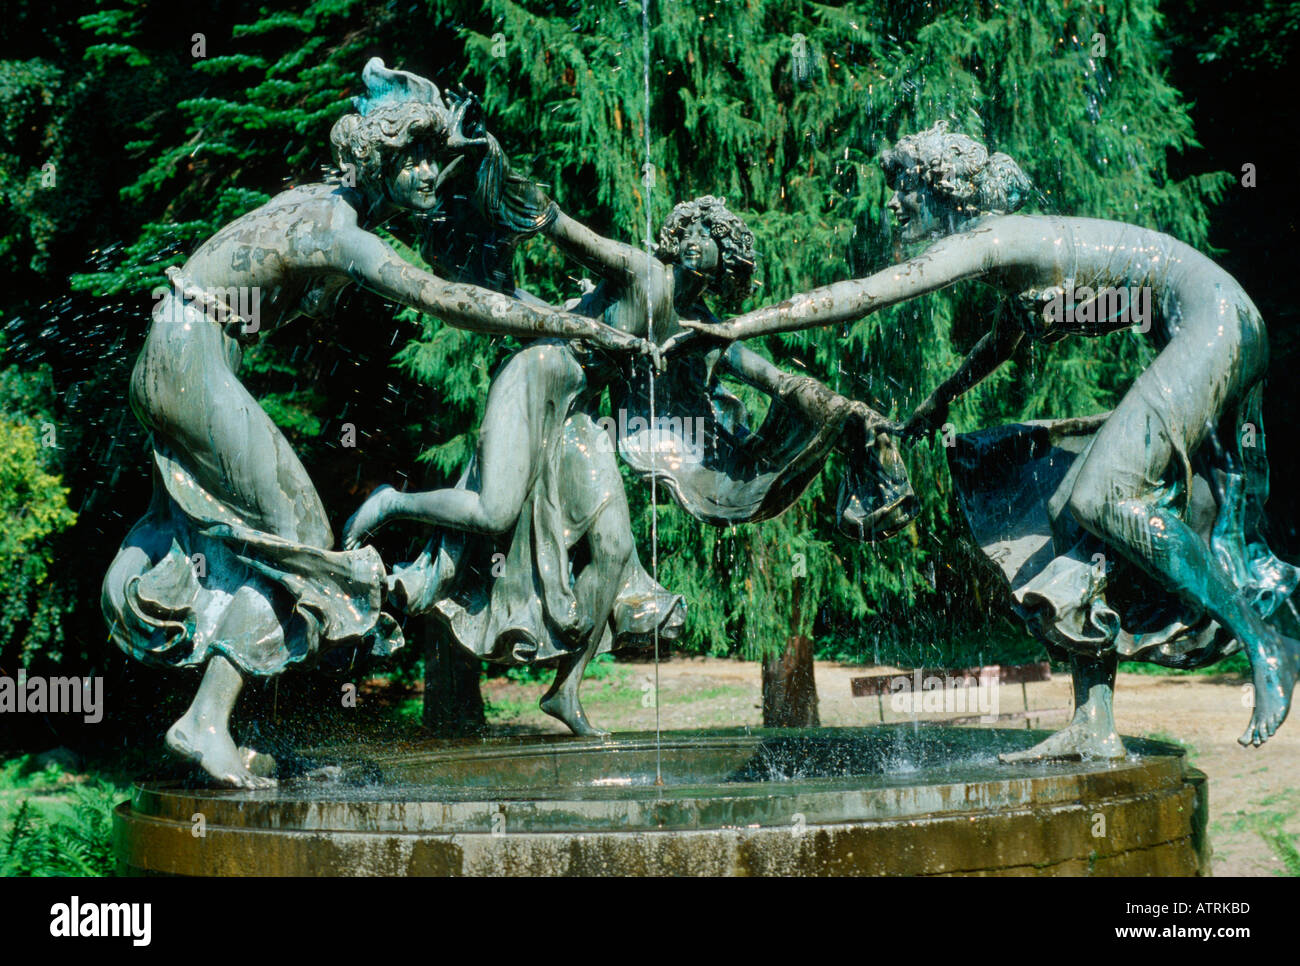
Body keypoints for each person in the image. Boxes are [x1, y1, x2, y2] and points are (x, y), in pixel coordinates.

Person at [102, 59, 656, 786]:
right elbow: (445, 299)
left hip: (171, 354)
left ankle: (147, 619)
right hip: (191, 359)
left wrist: (476, 156)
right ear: (381, 157)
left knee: (200, 526)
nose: (430, 175)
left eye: (436, 160)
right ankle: (205, 720)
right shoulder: (339, 232)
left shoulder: (324, 202)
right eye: (415, 159)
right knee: (303, 536)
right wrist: (569, 324)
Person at [679, 121, 1300, 755]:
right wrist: (937, 402)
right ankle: (1094, 721)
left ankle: (1262, 642)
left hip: (1214, 320)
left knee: (1103, 498)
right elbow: (1006, 337)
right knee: (1065, 511)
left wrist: (738, 327)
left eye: (907, 189)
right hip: (1220, 320)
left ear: (946, 191)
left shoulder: (989, 237)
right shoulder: (1011, 249)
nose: (893, 203)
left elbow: (868, 295)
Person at [344, 195, 911, 733]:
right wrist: (533, 208)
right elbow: (573, 235)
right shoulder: (643, 272)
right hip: (534, 378)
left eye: (708, 237)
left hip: (578, 417)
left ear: (726, 258)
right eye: (688, 230)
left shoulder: (701, 327)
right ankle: (392, 503)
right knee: (493, 513)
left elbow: (774, 378)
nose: (693, 242)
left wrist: (847, 413)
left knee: (615, 549)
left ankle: (565, 689)